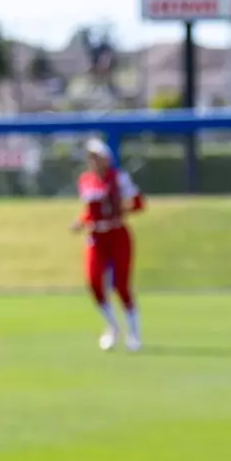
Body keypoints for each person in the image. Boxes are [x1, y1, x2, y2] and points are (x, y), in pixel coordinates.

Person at [71, 139, 145, 352]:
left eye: (96, 157)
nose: (93, 161)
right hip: (96, 236)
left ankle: (134, 333)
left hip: (117, 234)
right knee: (94, 282)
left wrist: (122, 209)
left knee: (121, 285)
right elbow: (90, 211)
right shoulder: (85, 180)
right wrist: (81, 221)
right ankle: (113, 326)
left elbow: (138, 203)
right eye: (90, 158)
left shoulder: (118, 178)